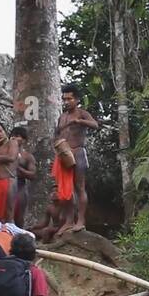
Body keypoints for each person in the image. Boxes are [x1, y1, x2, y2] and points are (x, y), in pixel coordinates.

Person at [54, 84, 98, 234]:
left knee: (79, 188)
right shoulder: (62, 117)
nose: (66, 101)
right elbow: (57, 134)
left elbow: (95, 125)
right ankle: (68, 221)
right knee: (66, 190)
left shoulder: (82, 113)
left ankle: (81, 220)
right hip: (63, 155)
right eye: (64, 99)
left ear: (77, 99)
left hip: (78, 153)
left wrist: (80, 122)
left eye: (69, 98)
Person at [11, 127, 37, 228]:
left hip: (19, 187)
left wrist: (18, 167)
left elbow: (32, 175)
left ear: (24, 140)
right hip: (5, 185)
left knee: (19, 217)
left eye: (17, 136)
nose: (14, 138)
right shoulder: (3, 152)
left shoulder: (27, 156)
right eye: (13, 136)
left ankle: (20, 241)